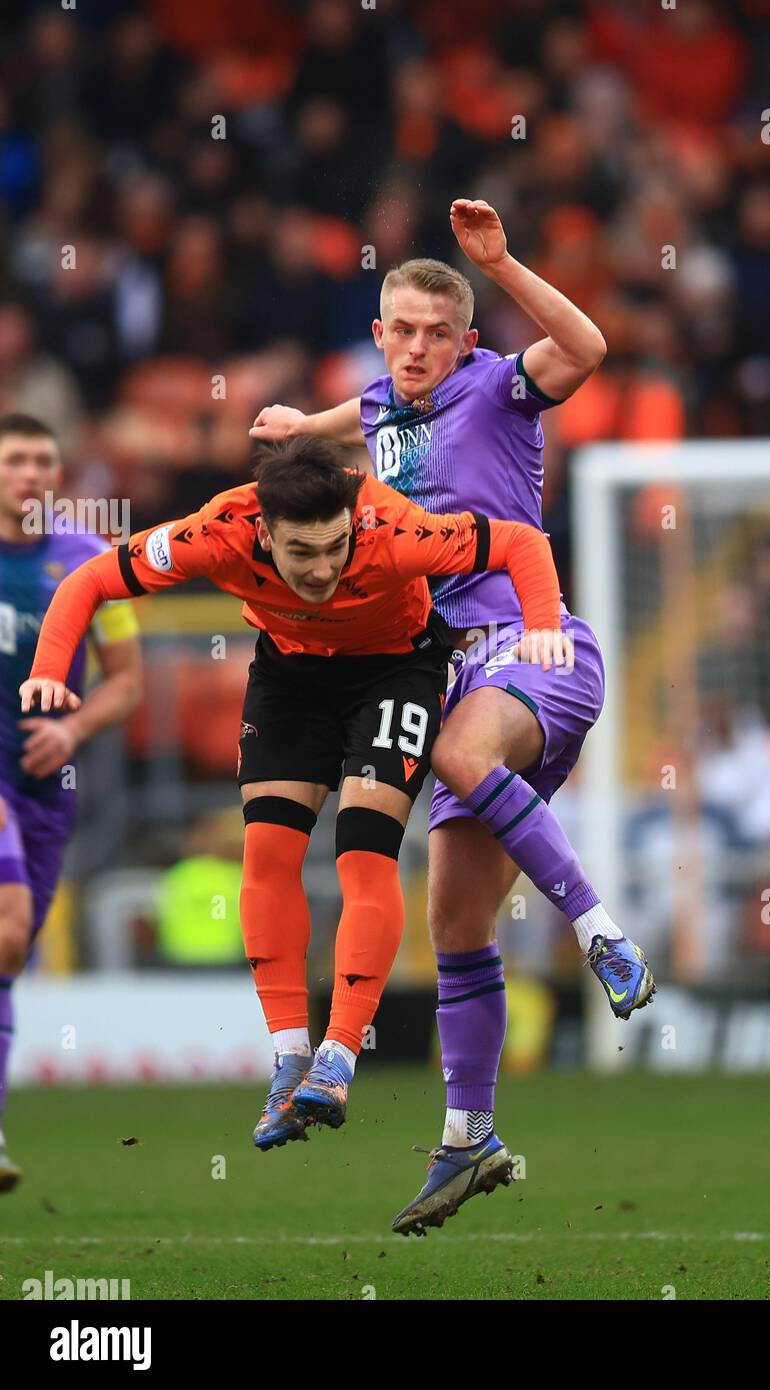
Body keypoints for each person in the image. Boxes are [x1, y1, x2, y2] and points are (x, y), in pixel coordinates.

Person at [250, 198, 655, 1237]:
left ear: (465, 342)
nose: (422, 346)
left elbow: (589, 346)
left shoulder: (494, 384)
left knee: (458, 749)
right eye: (404, 329)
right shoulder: (381, 407)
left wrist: (504, 262)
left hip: (535, 641)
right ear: (380, 336)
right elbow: (368, 410)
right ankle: (468, 1137)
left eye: (440, 330)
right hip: (453, 674)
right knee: (455, 923)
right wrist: (304, 426)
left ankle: (601, 931)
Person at [22, 437, 568, 1178]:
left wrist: (543, 623)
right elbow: (89, 580)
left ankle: (339, 1056)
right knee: (268, 855)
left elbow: (519, 542)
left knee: (362, 849)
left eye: (334, 548)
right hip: (290, 676)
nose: (320, 570)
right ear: (262, 533)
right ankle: (289, 1061)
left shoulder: (394, 528)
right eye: (299, 552)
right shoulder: (215, 531)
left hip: (397, 671)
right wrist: (52, 671)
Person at [0, 413, 143, 1192]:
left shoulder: (89, 561)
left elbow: (126, 680)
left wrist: (73, 728)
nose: (31, 474)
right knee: (11, 923)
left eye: (43, 461)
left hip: (46, 782)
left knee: (9, 953)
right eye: (16, 460)